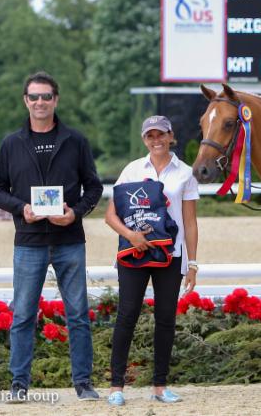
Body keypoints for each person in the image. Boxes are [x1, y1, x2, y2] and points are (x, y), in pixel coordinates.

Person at [0, 71, 103, 403]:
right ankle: (19, 383)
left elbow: (94, 187)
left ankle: (83, 382)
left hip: (69, 240)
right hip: (28, 240)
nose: (40, 102)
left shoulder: (75, 140)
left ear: (56, 99)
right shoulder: (11, 143)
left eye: (46, 96)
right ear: (26, 100)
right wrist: (21, 207)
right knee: (24, 313)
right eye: (34, 97)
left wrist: (76, 212)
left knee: (78, 315)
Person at [104, 115, 199, 407]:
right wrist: (130, 235)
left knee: (166, 320)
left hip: (170, 255)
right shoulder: (133, 170)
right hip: (135, 252)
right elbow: (111, 214)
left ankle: (160, 386)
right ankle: (116, 386)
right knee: (127, 315)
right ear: (144, 139)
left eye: (161, 135)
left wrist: (192, 264)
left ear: (171, 136)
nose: (156, 140)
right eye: (150, 136)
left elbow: (190, 222)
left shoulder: (185, 173)